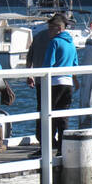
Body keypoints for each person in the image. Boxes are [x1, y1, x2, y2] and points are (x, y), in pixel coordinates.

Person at [26, 12, 68, 146]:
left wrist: (29, 74)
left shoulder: (38, 36)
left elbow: (29, 56)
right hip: (57, 80)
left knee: (42, 111)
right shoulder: (59, 39)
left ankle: (44, 140)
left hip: (41, 80)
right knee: (57, 112)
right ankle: (55, 141)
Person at [43, 15, 79, 148]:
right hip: (68, 83)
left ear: (59, 28)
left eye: (50, 28)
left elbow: (48, 64)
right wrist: (76, 80)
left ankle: (47, 146)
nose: (48, 31)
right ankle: (62, 147)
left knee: (49, 115)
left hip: (55, 83)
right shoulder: (71, 43)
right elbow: (75, 64)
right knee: (63, 117)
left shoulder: (54, 42)